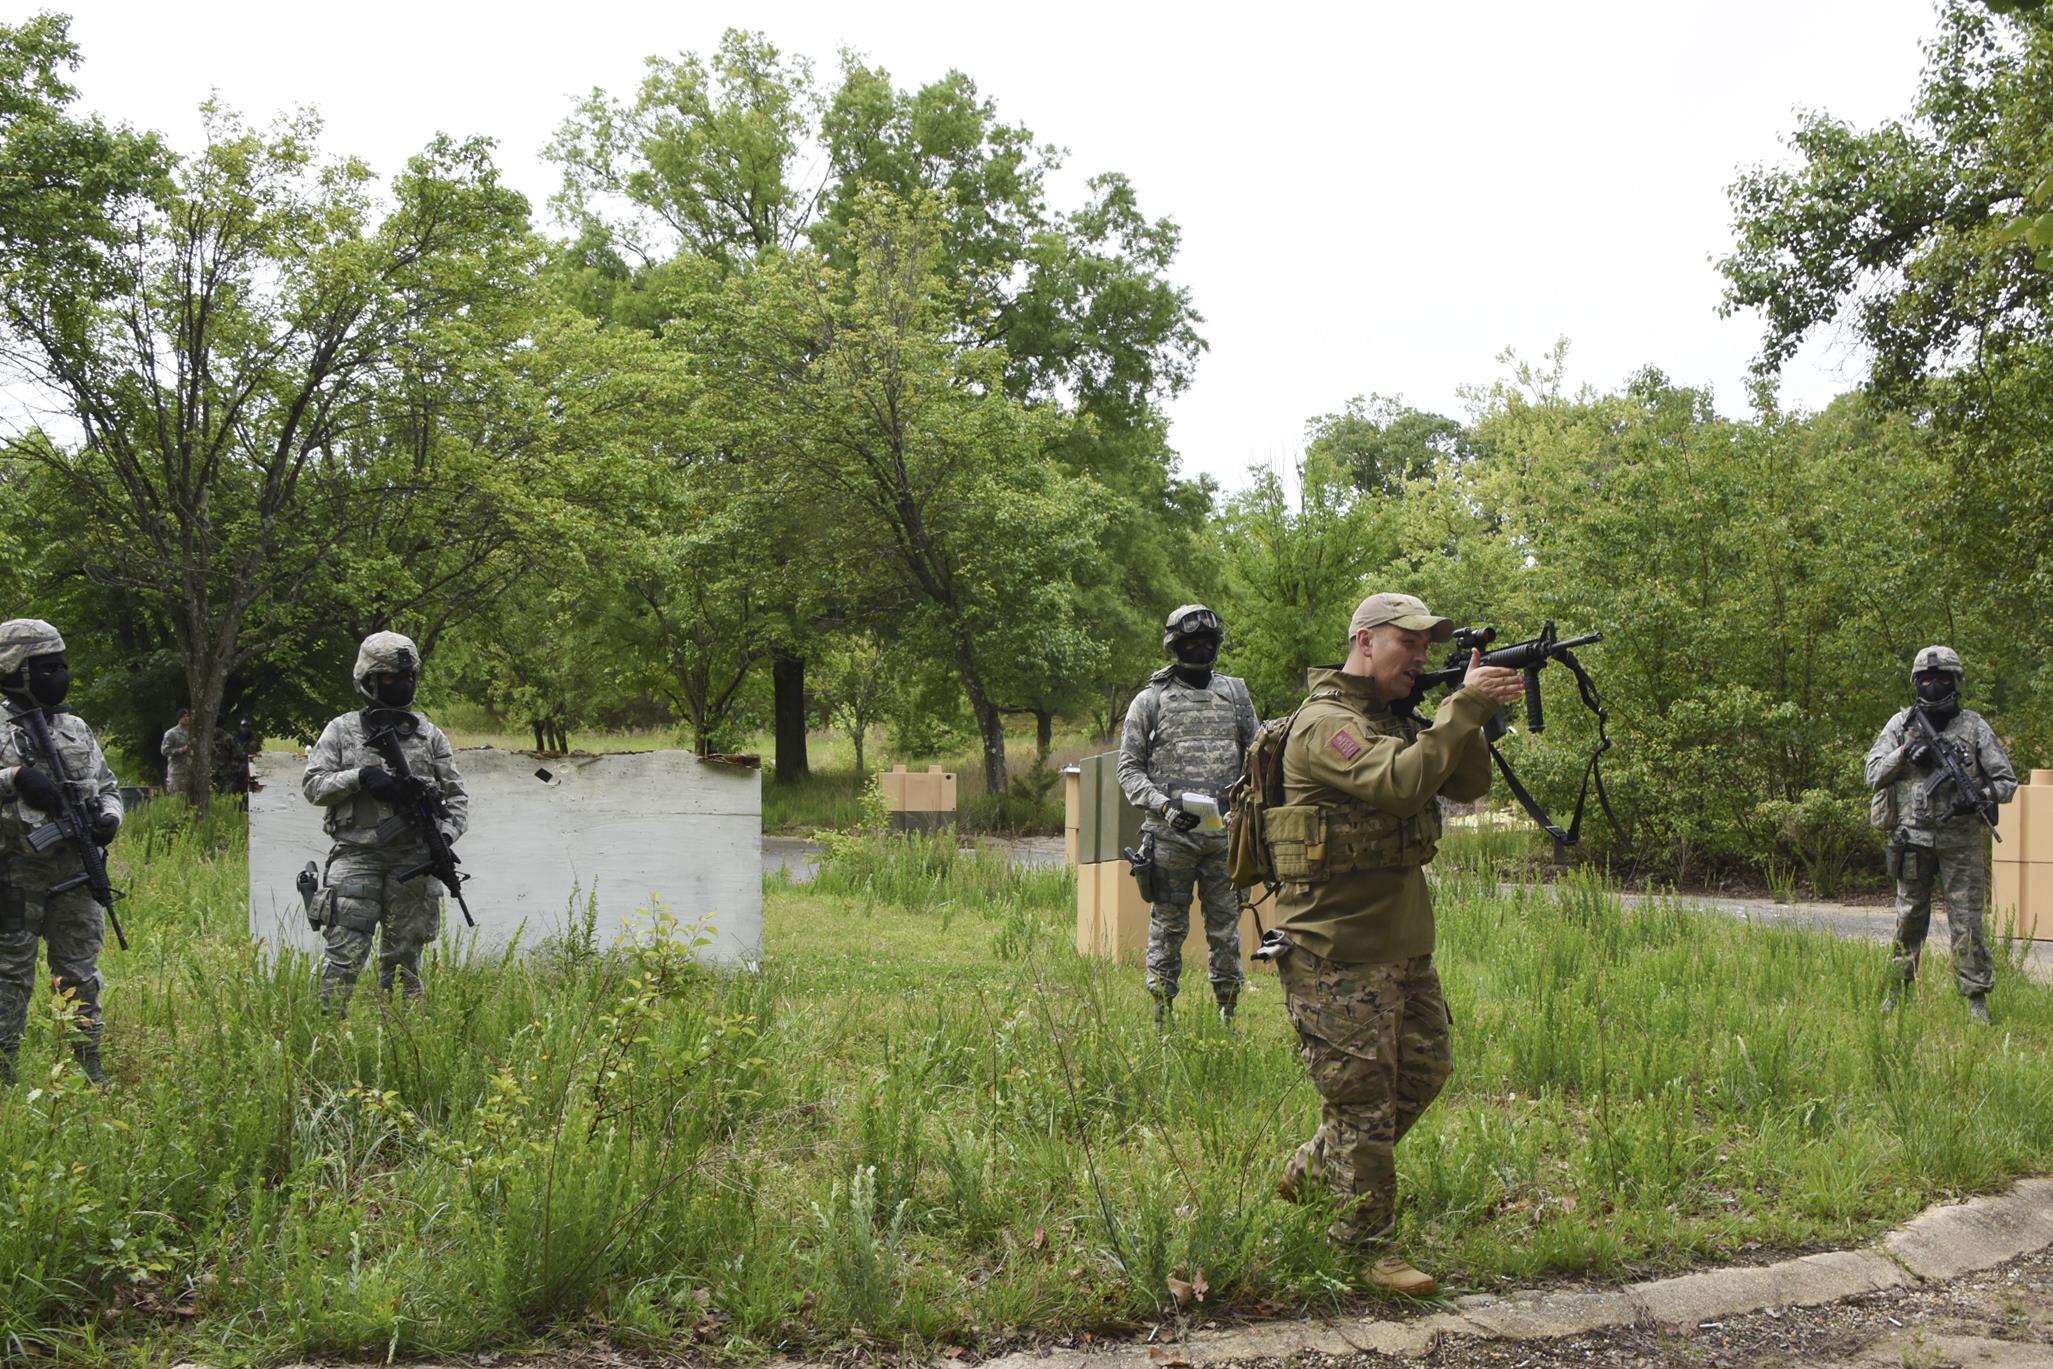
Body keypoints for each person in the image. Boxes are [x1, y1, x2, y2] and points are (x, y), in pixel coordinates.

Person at [1268, 592, 1523, 1296]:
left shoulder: (1396, 719)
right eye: (1405, 642)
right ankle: (1363, 1249)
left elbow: (1465, 781)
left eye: (1425, 645)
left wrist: (1474, 714)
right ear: (1362, 641)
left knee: (1423, 1070)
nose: (1418, 656)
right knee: (1362, 1105)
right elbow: (1399, 785)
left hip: (1403, 941)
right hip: (1336, 950)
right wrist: (1459, 710)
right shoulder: (1326, 725)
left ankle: (1315, 1170)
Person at [302, 632, 468, 1008]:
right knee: (342, 960)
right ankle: (327, 1036)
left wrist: (445, 833)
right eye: (392, 679)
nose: (403, 686)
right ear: (370, 681)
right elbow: (313, 786)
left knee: (404, 965)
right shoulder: (342, 731)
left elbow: (456, 797)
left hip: (414, 858)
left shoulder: (430, 736)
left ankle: (400, 1041)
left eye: (408, 678)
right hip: (357, 856)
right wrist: (359, 777)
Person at [1118, 604, 1259, 1025]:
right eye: (1191, 642)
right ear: (1174, 645)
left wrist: (1247, 813)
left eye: (1207, 642)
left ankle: (1227, 1016)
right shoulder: (1151, 701)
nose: (1200, 648)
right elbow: (1128, 767)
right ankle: (1163, 1017)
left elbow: (1257, 758)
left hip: (1225, 840)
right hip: (1170, 839)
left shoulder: (1235, 694)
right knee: (1167, 929)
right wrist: (1163, 805)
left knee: (1225, 931)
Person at [1863, 645, 2016, 1024]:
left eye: (1942, 679)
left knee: (1967, 921)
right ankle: (1897, 992)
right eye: (1926, 679)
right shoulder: (1900, 725)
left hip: (1960, 841)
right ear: (1916, 683)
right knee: (1909, 916)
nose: (1933, 686)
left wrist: (1977, 797)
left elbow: (2007, 782)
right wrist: (1905, 754)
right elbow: (1871, 773)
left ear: (1956, 682)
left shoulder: (1974, 727)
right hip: (1911, 839)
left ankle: (1976, 997)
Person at [0, 619, 122, 1087]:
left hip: (74, 874)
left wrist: (110, 819)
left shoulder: (74, 727)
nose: (62, 676)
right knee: (9, 976)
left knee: (79, 976)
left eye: (62, 666)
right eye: (49, 668)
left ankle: (90, 1073)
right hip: (13, 874)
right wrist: (13, 778)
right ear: (17, 671)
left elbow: (109, 787)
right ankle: (5, 1077)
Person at [161, 707, 192, 797]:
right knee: (176, 796)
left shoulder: (193, 732)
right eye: (183, 716)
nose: (186, 718)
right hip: (177, 771)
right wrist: (181, 750)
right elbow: (164, 750)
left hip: (190, 770)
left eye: (187, 716)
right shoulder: (171, 733)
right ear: (179, 718)